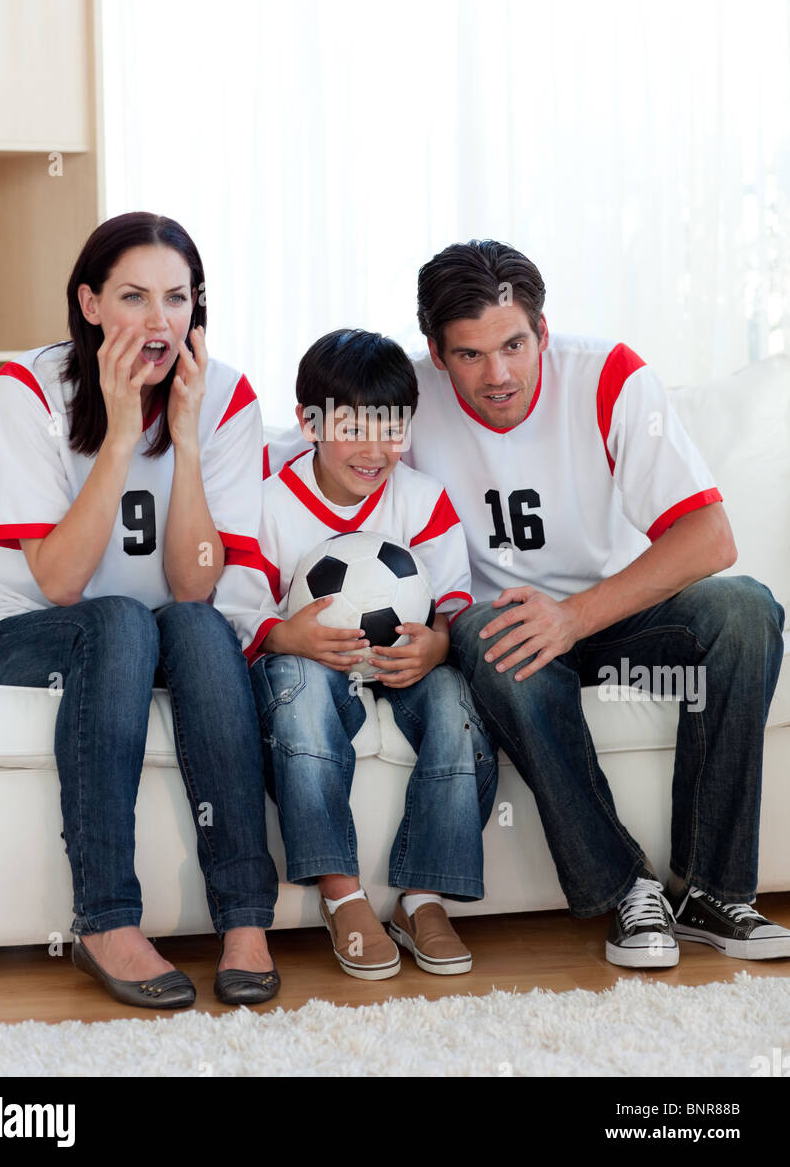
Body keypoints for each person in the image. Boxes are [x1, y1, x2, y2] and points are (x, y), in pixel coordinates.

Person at [268, 243, 789, 968]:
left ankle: (712, 891)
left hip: (613, 617)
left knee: (746, 610)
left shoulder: (608, 377)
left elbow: (711, 538)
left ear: (542, 330)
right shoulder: (407, 401)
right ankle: (626, 890)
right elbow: (313, 463)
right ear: (437, 355)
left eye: (514, 345)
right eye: (470, 355)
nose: (499, 375)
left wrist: (573, 618)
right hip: (503, 634)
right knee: (492, 633)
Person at [0, 211, 280, 1007]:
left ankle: (245, 919)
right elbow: (62, 583)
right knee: (118, 620)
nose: (158, 321)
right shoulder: (28, 388)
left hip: (157, 634)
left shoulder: (225, 395)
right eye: (133, 297)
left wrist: (187, 441)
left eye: (177, 298)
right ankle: (104, 921)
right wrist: (122, 435)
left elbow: (194, 586)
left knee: (197, 624)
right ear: (91, 303)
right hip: (21, 634)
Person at [216, 329, 498, 979]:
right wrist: (285, 635)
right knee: (293, 689)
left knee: (456, 702)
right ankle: (341, 893)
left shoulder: (421, 500)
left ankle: (423, 897)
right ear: (309, 424)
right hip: (315, 667)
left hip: (403, 666)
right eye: (354, 429)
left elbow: (454, 599)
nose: (376, 451)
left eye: (392, 429)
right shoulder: (269, 505)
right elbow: (237, 606)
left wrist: (437, 643)